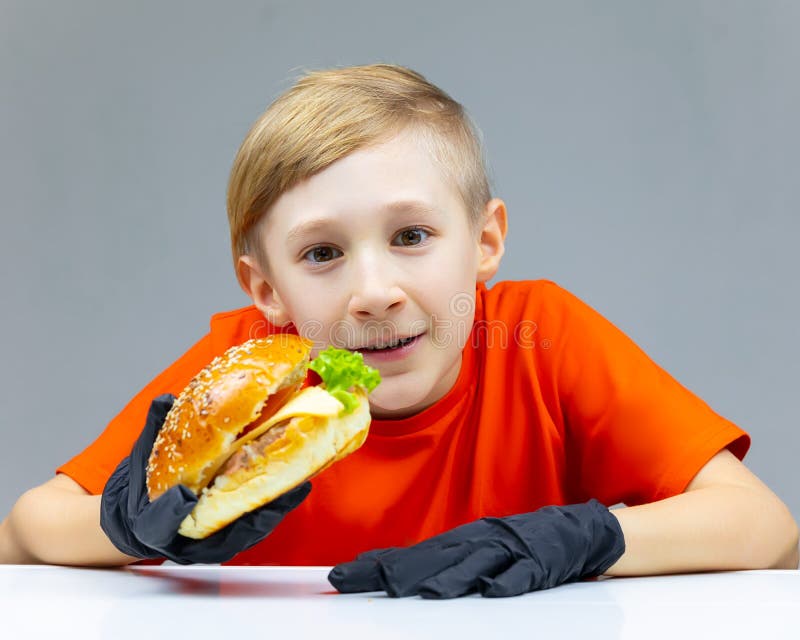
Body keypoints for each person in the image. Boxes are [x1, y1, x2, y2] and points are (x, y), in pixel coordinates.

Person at [1, 64, 797, 597]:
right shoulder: (247, 369)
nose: (374, 294)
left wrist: (583, 539)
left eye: (411, 236)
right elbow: (24, 532)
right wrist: (129, 525)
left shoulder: (541, 335)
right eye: (322, 253)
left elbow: (767, 530)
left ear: (485, 241)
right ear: (266, 290)